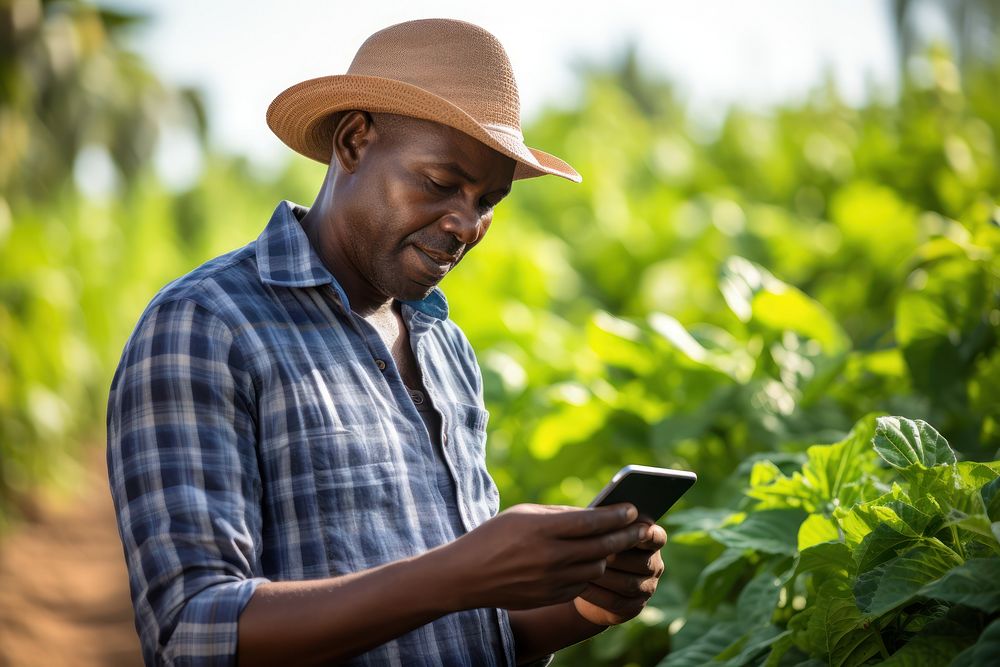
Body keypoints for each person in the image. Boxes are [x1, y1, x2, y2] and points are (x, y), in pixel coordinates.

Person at [107, 18, 668, 667]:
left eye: (488, 200)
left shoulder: (445, 348)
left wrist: (585, 603)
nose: (467, 224)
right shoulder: (207, 326)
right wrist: (459, 573)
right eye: (440, 183)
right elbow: (189, 631)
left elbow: (463, 633)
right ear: (354, 141)